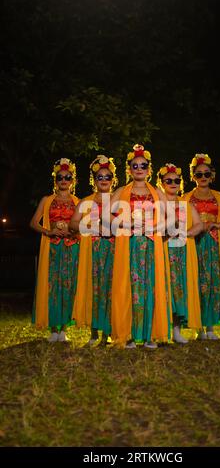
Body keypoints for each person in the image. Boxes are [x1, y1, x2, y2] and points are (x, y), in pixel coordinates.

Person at [110, 144, 171, 349]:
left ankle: (148, 335)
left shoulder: (157, 192)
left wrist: (153, 227)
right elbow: (107, 216)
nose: (138, 168)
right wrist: (127, 224)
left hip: (150, 244)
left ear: (148, 169)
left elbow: (170, 216)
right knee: (129, 285)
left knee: (149, 286)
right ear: (129, 169)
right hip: (129, 243)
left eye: (143, 165)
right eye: (134, 166)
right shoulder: (121, 191)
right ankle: (128, 335)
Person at [183, 153, 220, 339]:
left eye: (206, 174)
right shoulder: (186, 197)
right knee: (197, 282)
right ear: (193, 176)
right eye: (198, 174)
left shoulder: (218, 196)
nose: (203, 178)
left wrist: (218, 224)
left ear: (212, 175)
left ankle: (210, 328)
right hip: (194, 244)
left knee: (213, 283)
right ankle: (199, 328)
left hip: (213, 244)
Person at [70, 155, 118, 346]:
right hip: (93, 249)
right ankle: (93, 333)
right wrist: (92, 227)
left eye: (107, 177)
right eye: (100, 177)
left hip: (114, 249)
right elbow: (73, 223)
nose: (104, 180)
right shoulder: (85, 201)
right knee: (94, 288)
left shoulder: (118, 199)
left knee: (110, 289)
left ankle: (108, 333)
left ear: (112, 180)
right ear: (94, 180)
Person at [30, 158, 79, 342]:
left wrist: (72, 230)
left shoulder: (77, 201)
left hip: (72, 249)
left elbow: (83, 226)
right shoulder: (47, 200)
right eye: (60, 177)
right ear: (55, 180)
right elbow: (34, 223)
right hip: (53, 249)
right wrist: (48, 232)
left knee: (69, 286)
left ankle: (64, 329)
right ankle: (53, 329)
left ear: (72, 180)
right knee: (52, 286)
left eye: (67, 177)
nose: (64, 180)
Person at [156, 163, 203, 343]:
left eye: (176, 180)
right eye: (169, 180)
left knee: (178, 290)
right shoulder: (157, 203)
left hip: (181, 253)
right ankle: (161, 330)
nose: (173, 183)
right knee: (163, 289)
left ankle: (176, 331)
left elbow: (199, 224)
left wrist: (186, 232)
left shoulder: (185, 204)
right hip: (162, 251)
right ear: (161, 182)